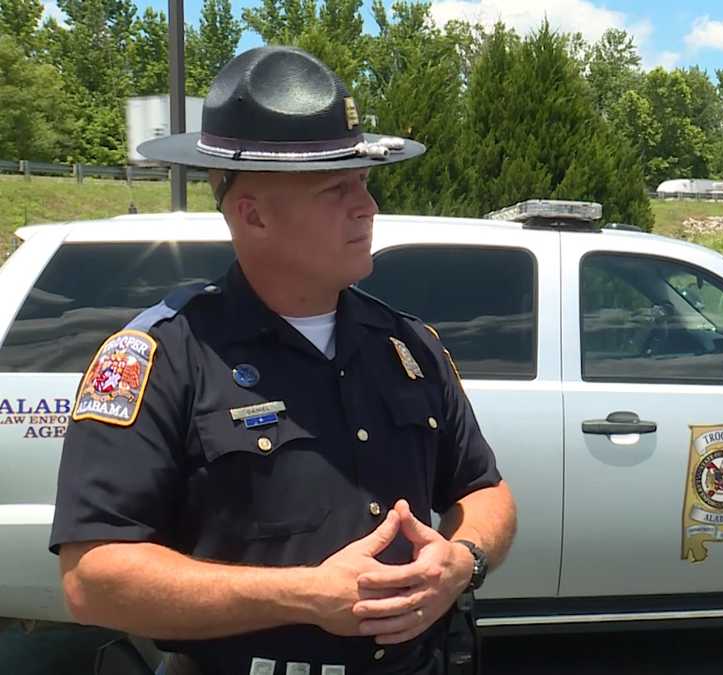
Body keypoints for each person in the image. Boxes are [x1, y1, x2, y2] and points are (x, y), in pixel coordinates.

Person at [49, 45, 516, 675]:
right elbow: (93, 578)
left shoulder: (408, 346)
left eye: (364, 181)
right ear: (253, 214)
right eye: (336, 188)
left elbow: (484, 490)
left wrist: (462, 561)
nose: (367, 206)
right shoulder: (162, 357)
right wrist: (303, 596)